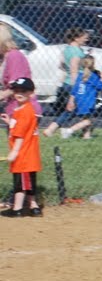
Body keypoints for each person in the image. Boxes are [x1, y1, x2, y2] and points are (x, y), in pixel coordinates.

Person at [4, 77, 42, 217]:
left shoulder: (25, 111)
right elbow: (21, 129)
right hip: (27, 154)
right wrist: (10, 122)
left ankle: (17, 209)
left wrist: (14, 152)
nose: (19, 93)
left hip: (23, 155)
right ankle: (34, 207)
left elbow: (20, 135)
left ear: (31, 93)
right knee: (28, 183)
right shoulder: (21, 109)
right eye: (16, 90)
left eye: (23, 91)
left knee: (20, 184)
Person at [42, 54, 102, 140]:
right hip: (87, 102)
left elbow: (75, 89)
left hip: (78, 100)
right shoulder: (93, 77)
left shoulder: (80, 75)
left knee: (82, 118)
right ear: (93, 65)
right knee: (88, 121)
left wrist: (71, 100)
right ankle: (69, 131)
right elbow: (100, 86)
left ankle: (86, 135)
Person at [0, 24, 38, 121]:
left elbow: (19, 85)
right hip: (14, 108)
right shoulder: (5, 56)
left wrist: (2, 95)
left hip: (24, 110)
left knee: (19, 136)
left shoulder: (14, 56)